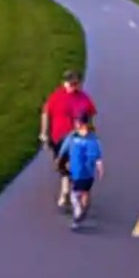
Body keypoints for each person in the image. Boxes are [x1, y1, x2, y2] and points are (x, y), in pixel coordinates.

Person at [38, 69, 97, 210]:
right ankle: (68, 192)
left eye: (76, 83)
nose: (73, 86)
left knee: (72, 165)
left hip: (77, 138)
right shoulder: (57, 97)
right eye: (70, 83)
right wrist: (44, 134)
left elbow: (90, 118)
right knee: (63, 166)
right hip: (58, 137)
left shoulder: (84, 98)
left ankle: (68, 193)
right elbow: (46, 114)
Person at [57, 114, 105, 229]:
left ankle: (78, 213)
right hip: (89, 174)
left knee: (74, 195)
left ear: (80, 124)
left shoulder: (72, 137)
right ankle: (83, 210)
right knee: (85, 192)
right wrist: (100, 169)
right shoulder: (93, 139)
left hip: (78, 172)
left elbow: (63, 150)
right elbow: (98, 157)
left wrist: (60, 162)